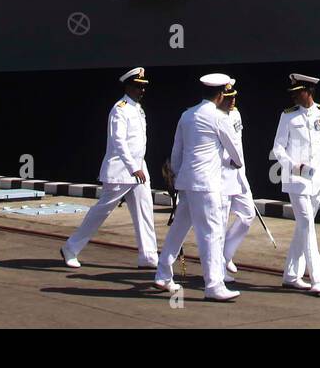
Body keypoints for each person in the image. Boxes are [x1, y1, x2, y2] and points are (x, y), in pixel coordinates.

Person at [153, 73, 243, 301]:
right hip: (207, 184)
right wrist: (234, 161)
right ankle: (213, 285)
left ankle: (163, 273)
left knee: (179, 229)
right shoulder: (219, 117)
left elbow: (176, 151)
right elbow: (237, 154)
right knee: (211, 233)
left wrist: (174, 174)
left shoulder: (187, 115)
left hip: (187, 182)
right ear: (221, 94)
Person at [60, 67, 157, 269]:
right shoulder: (119, 109)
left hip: (139, 169)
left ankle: (147, 256)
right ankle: (71, 247)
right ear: (129, 86)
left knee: (144, 211)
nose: (142, 91)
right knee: (101, 212)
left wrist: (139, 167)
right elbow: (118, 141)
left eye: (143, 87)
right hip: (121, 171)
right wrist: (132, 167)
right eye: (139, 87)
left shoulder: (137, 109)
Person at [271, 73, 320, 296]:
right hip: (296, 181)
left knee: (302, 228)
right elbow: (278, 148)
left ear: (308, 92)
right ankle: (317, 279)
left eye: (297, 92)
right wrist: (294, 166)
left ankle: (291, 276)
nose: (293, 96)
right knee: (308, 226)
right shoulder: (287, 117)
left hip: (316, 181)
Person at [220, 86, 257, 278]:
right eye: (228, 97)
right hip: (221, 176)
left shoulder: (236, 114)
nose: (233, 100)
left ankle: (226, 255)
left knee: (247, 215)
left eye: (234, 96)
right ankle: (218, 270)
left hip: (238, 174)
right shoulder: (215, 116)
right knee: (220, 223)